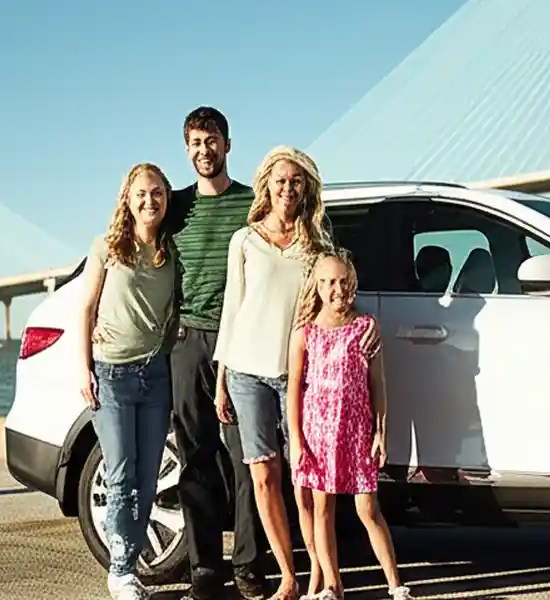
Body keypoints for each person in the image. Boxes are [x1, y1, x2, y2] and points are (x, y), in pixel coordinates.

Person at [214, 145, 341, 600]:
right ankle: (287, 576)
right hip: (247, 372)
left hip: (299, 376)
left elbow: (337, 301)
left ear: (307, 189)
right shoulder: (245, 240)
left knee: (303, 476)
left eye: (297, 182)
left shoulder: (317, 245)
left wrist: (365, 335)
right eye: (281, 181)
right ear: (267, 184)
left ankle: (319, 576)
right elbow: (233, 310)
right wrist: (221, 379)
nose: (288, 189)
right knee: (262, 476)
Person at [166, 107, 270, 600]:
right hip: (188, 342)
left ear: (228, 145)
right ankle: (206, 567)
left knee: (249, 458)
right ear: (186, 149)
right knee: (195, 457)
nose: (203, 151)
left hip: (243, 344)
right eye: (194, 143)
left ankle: (249, 564)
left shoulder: (253, 204)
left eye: (211, 141)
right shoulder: (175, 208)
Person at [80, 162, 181, 600]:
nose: (149, 200)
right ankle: (120, 570)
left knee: (147, 479)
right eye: (141, 193)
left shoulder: (170, 252)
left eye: (157, 192)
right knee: (121, 476)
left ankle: (131, 563)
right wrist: (83, 369)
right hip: (112, 374)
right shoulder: (107, 247)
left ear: (166, 199)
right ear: (127, 197)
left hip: (154, 374)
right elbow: (86, 309)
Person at [287, 250, 411, 600]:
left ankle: (395, 583)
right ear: (316, 285)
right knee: (322, 508)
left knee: (368, 509)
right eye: (327, 282)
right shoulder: (305, 333)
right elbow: (294, 388)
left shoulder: (365, 327)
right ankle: (332, 584)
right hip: (317, 432)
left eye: (342, 281)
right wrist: (296, 439)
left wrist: (380, 432)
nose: (336, 289)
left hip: (355, 431)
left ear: (352, 282)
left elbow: (378, 384)